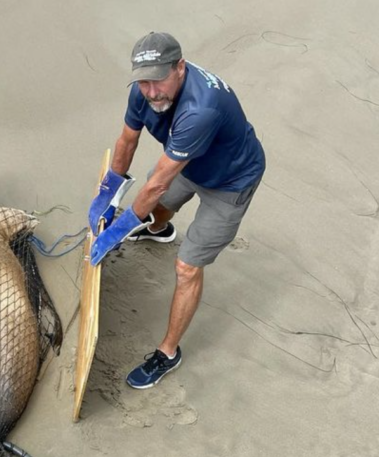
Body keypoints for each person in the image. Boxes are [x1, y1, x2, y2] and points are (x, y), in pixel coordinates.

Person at [88, 32, 265, 389]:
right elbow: (127, 140)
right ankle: (159, 231)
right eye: (144, 82)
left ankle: (168, 353)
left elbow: (156, 186)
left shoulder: (201, 109)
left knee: (186, 267)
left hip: (230, 181)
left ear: (180, 68)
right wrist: (109, 192)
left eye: (159, 80)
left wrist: (116, 231)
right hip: (187, 163)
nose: (152, 92)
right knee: (157, 210)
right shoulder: (143, 91)